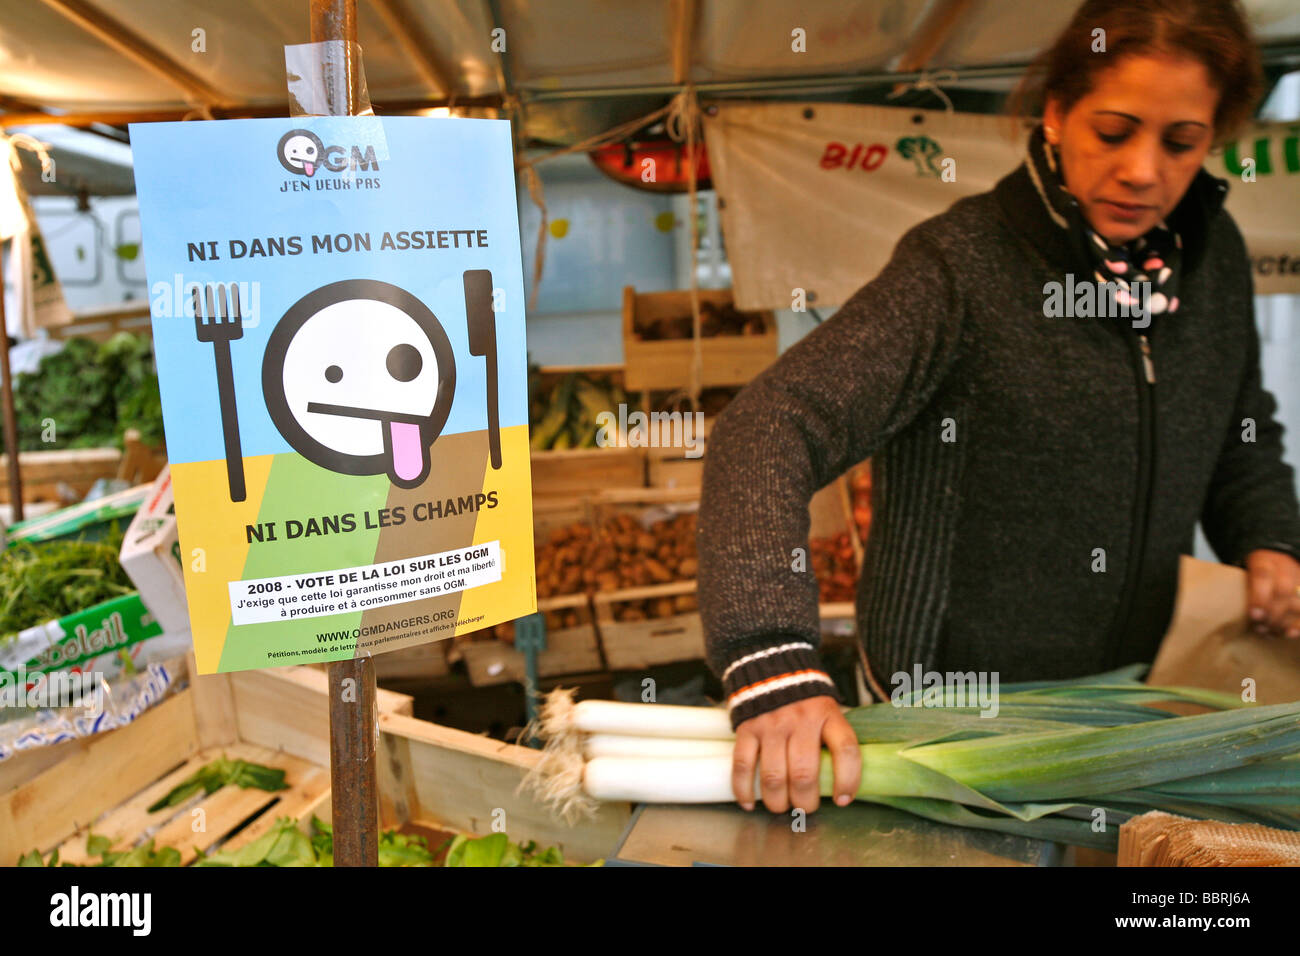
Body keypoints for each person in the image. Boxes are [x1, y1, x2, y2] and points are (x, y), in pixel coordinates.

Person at [698, 0, 1300, 816]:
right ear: (1056, 112)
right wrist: (769, 656)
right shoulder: (961, 269)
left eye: (1180, 142)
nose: (1144, 171)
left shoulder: (1213, 259)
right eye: (1114, 131)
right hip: (954, 716)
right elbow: (771, 424)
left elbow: (1239, 429)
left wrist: (1268, 539)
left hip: (1135, 697)